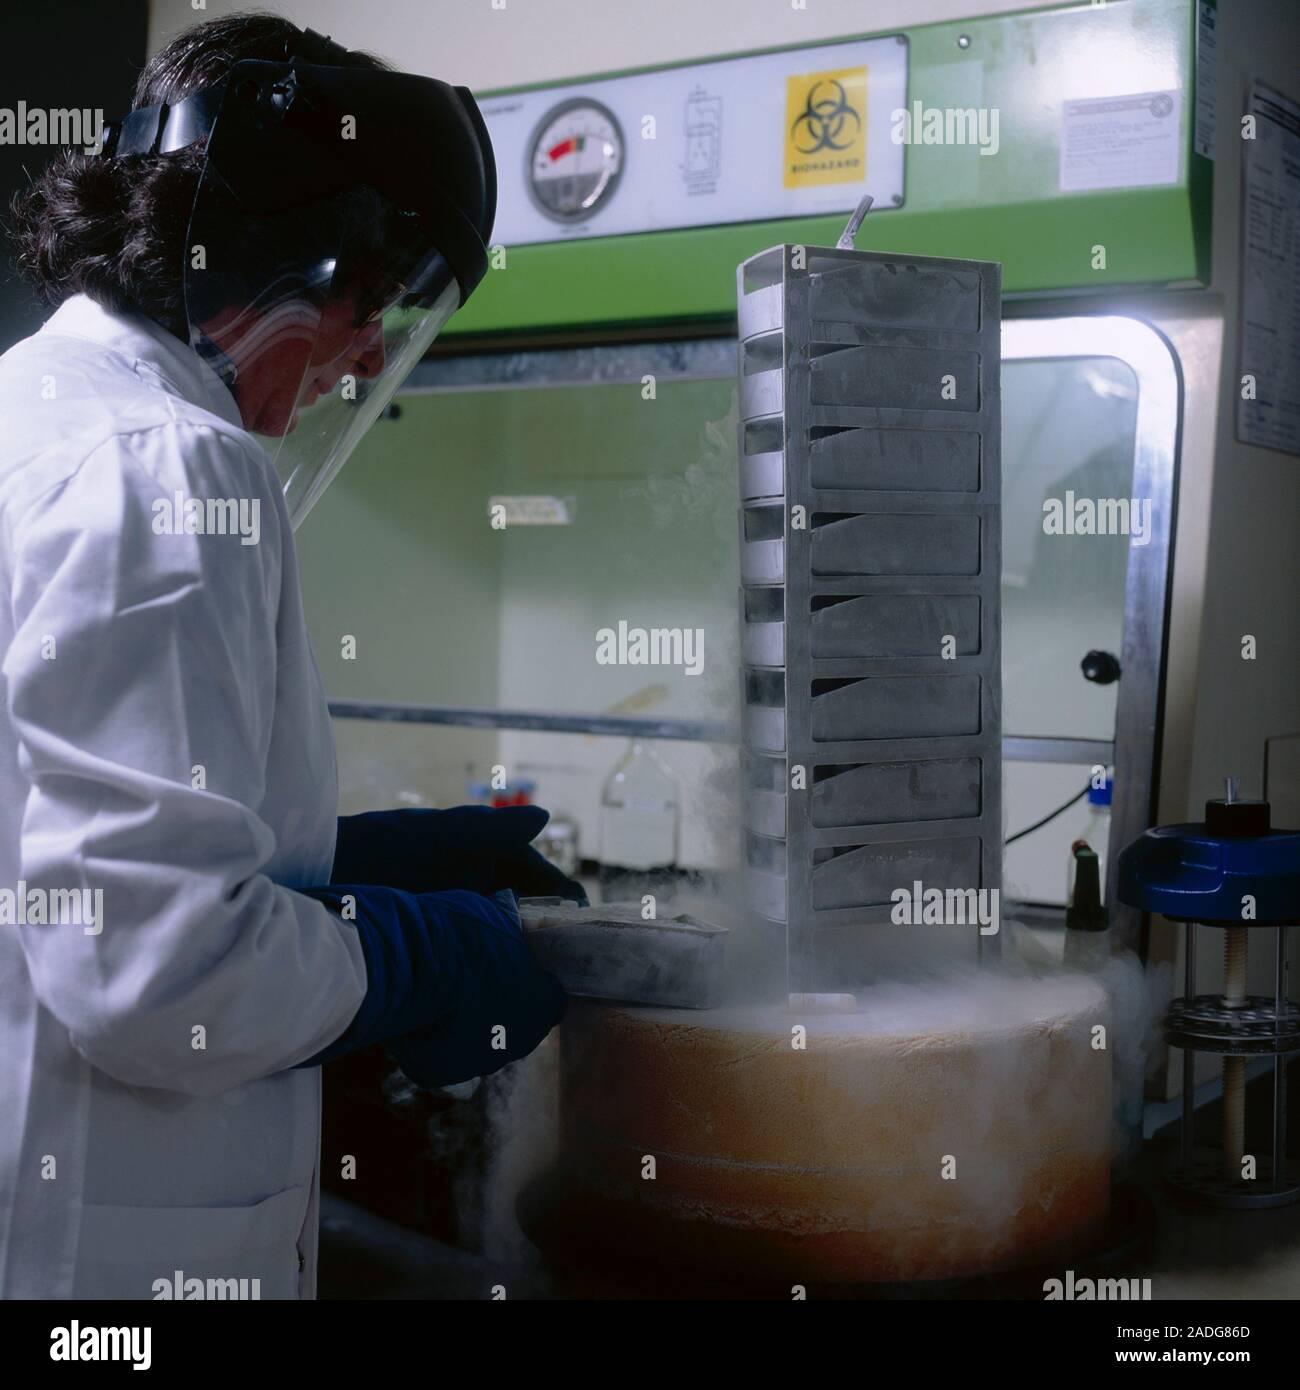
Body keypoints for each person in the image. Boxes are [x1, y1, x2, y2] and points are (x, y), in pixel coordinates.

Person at [0, 13, 575, 1300]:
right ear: (278, 247)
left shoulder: (33, 412)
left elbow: (52, 844)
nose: (374, 352)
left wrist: (331, 865)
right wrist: (409, 954)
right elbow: (157, 971)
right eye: (376, 296)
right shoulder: (169, 463)